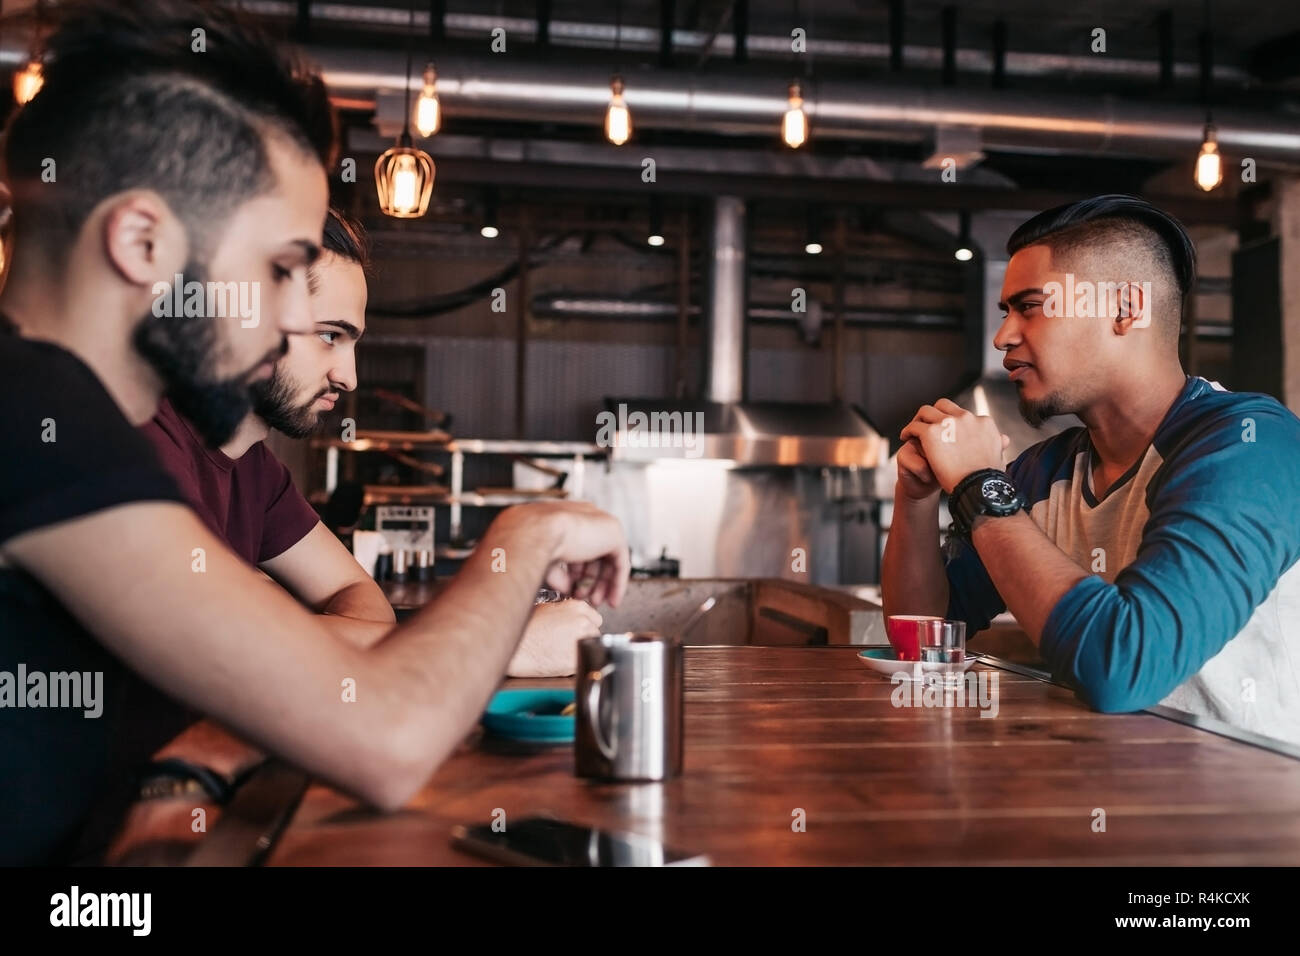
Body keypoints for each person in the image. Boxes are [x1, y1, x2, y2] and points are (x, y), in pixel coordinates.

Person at [0, 0, 628, 866]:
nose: (286, 324)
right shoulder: (42, 419)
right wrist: (526, 537)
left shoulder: (65, 414)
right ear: (143, 241)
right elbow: (388, 739)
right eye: (279, 270)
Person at [882, 194, 1300, 744]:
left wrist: (980, 487)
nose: (1002, 337)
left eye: (1030, 306)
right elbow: (922, 636)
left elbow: (1123, 667)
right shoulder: (1043, 473)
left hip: (1240, 817)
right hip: (1096, 801)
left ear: (1125, 309)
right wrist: (916, 497)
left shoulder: (1249, 445)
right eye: (1005, 312)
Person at [141, 206, 602, 662]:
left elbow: (359, 597)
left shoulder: (258, 471)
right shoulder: (146, 443)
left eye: (352, 342)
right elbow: (218, 645)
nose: (349, 377)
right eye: (329, 336)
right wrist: (491, 645)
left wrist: (277, 619)